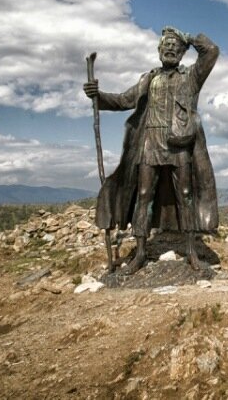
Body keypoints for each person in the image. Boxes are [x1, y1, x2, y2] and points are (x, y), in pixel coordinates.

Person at [84, 27, 219, 273]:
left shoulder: (191, 76)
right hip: (150, 142)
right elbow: (124, 100)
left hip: (179, 144)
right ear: (158, 51)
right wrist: (98, 96)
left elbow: (211, 51)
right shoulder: (149, 78)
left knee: (186, 194)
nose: (170, 49)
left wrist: (185, 37)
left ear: (182, 52)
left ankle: (191, 251)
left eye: (175, 47)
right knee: (144, 194)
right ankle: (140, 253)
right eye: (166, 46)